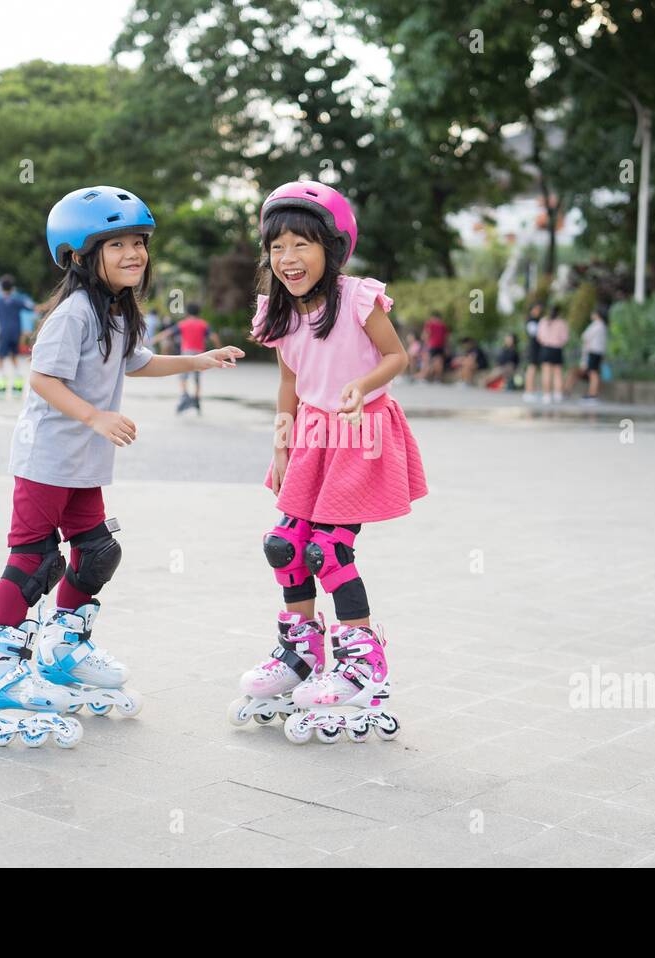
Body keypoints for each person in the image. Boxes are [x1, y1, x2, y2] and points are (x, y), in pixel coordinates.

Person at [0, 185, 245, 749]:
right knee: (35, 560)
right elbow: (42, 378)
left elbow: (139, 362)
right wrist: (94, 416)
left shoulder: (117, 312)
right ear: (81, 255)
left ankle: (64, 650)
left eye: (139, 243)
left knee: (97, 553)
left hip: (85, 464)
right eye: (119, 245)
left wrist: (199, 360)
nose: (135, 253)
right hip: (48, 459)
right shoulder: (74, 313)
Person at [232, 180, 425, 744]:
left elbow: (397, 355)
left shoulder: (361, 298)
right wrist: (281, 441)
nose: (288, 259)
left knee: (329, 548)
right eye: (277, 248)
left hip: (361, 433)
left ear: (332, 249)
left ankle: (363, 660)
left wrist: (361, 385)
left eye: (301, 245)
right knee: (285, 544)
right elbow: (290, 378)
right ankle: (301, 652)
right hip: (311, 436)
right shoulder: (279, 311)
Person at [173, 303, 222, 413]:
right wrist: (220, 350)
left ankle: (184, 396)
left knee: (183, 377)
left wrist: (152, 340)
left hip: (186, 353)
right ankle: (196, 399)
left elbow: (167, 333)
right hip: (200, 354)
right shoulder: (203, 324)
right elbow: (214, 337)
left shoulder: (183, 324)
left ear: (187, 312)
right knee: (197, 378)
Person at [0, 275, 34, 394]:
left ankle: (1, 385)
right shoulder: (17, 300)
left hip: (4, 332)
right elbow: (31, 308)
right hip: (16, 332)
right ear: (12, 288)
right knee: (14, 356)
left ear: (1, 288)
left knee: (0, 357)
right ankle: (18, 383)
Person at [564, 306, 609, 402]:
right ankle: (590, 394)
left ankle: (592, 395)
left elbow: (585, 336)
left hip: (594, 352)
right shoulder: (602, 326)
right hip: (596, 352)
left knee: (593, 373)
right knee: (592, 372)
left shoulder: (598, 325)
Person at [536, 304, 569, 404]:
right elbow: (565, 338)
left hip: (546, 349)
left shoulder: (543, 321)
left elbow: (539, 337)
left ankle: (547, 395)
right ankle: (558, 394)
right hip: (557, 349)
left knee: (546, 373)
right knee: (558, 373)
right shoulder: (562, 323)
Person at [522, 302, 545, 402]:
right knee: (532, 368)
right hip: (533, 348)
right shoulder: (531, 320)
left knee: (534, 369)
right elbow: (535, 334)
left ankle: (532, 391)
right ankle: (529, 391)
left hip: (537, 348)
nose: (538, 311)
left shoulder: (538, 320)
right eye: (536, 309)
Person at [420, 311, 449, 381]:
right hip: (441, 346)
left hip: (432, 346)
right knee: (439, 362)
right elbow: (446, 338)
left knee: (427, 361)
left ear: (433, 317)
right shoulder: (443, 325)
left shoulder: (430, 324)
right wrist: (447, 348)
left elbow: (426, 335)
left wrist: (424, 341)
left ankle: (424, 377)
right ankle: (437, 378)